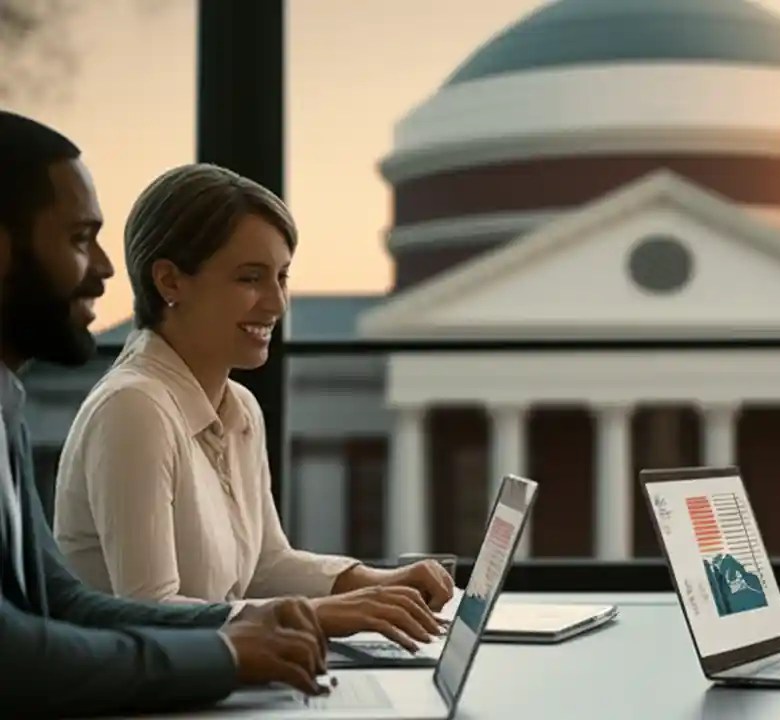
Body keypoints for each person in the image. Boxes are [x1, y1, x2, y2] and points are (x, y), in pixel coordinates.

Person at [0, 111, 330, 715]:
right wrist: (231, 653)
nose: (103, 270)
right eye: (79, 239)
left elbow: (62, 602)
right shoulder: (132, 404)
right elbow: (14, 655)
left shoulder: (6, 410)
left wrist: (266, 631)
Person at [51, 161, 455, 649]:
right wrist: (326, 616)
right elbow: (152, 612)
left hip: (212, 679)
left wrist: (374, 583)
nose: (277, 303)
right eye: (250, 278)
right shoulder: (133, 409)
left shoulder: (239, 407)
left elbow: (265, 564)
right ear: (170, 282)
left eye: (281, 277)